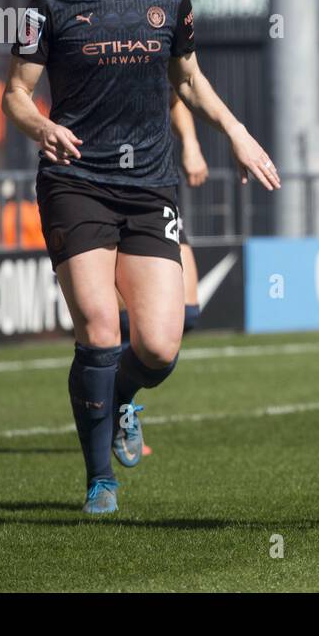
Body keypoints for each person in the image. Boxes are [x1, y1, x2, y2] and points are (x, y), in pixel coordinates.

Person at [2, 0, 279, 514]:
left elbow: (190, 80)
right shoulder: (50, 6)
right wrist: (40, 125)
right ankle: (100, 477)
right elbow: (12, 92)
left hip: (150, 185)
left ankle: (121, 399)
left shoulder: (170, 2)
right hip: (75, 183)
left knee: (157, 345)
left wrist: (237, 133)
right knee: (100, 325)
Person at [113, 93, 209, 464]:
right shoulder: (87, 39)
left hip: (154, 182)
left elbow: (176, 91)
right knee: (124, 321)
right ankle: (120, 414)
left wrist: (191, 144)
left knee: (189, 312)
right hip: (99, 185)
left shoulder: (157, 34)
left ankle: (120, 394)